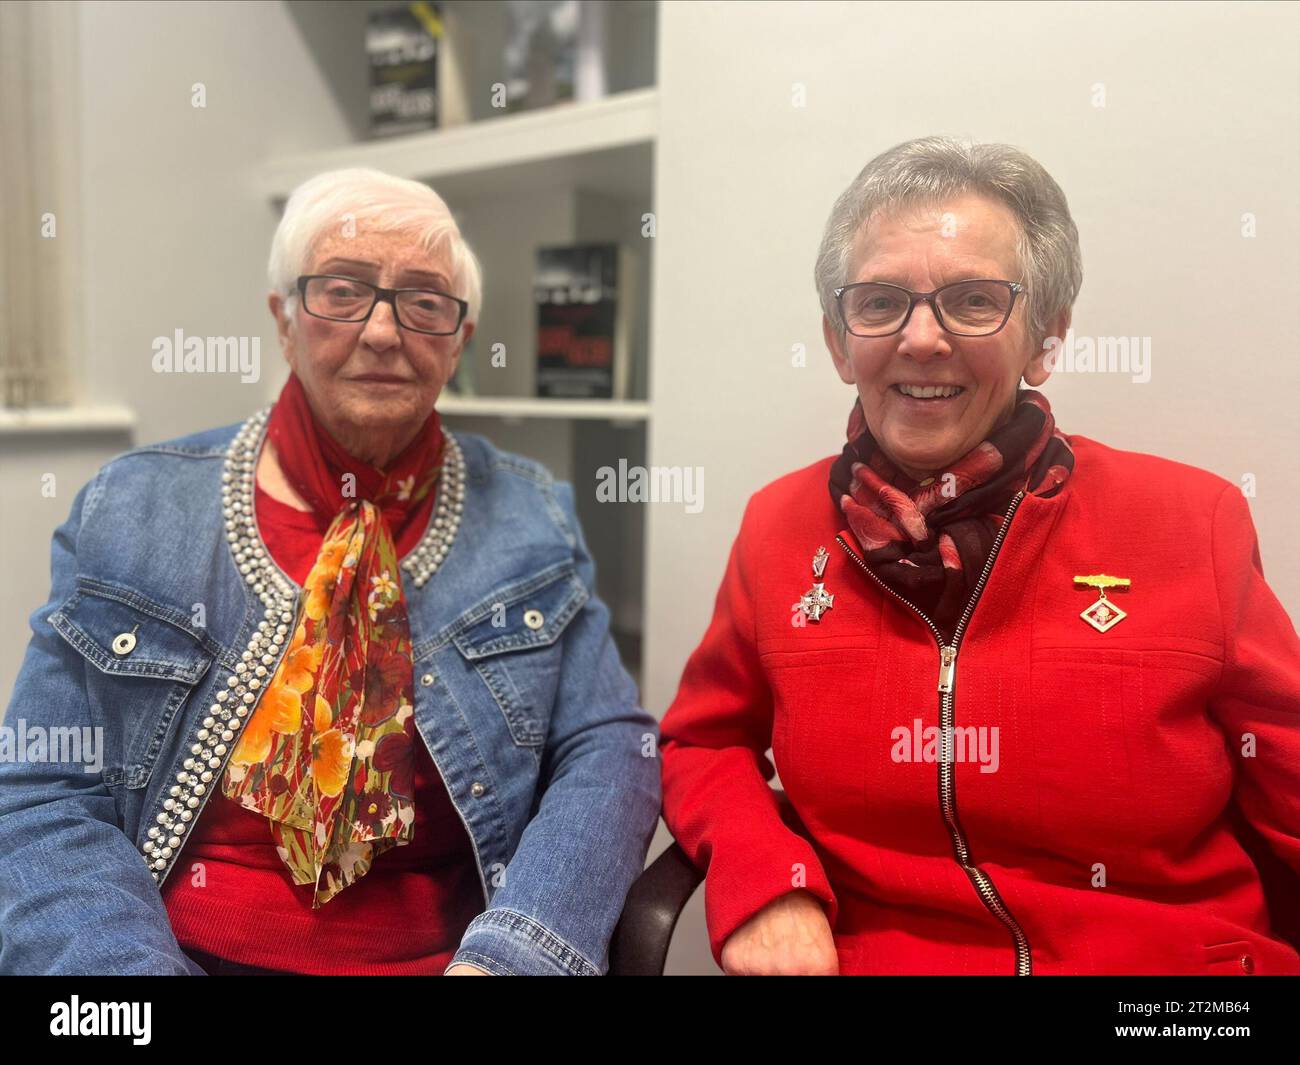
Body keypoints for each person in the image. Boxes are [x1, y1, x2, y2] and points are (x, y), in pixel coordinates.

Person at [658, 136, 1300, 976]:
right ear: (839, 340)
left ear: (1046, 335)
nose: (922, 339)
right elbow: (703, 744)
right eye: (882, 302)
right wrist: (766, 879)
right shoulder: (778, 526)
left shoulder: (1192, 520)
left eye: (973, 301)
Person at [0, 167, 660, 976]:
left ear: (458, 336)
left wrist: (524, 951)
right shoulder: (133, 506)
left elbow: (610, 750)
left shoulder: (531, 516)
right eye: (343, 291)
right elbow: (40, 784)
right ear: (283, 320)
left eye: (424, 300)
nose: (384, 331)